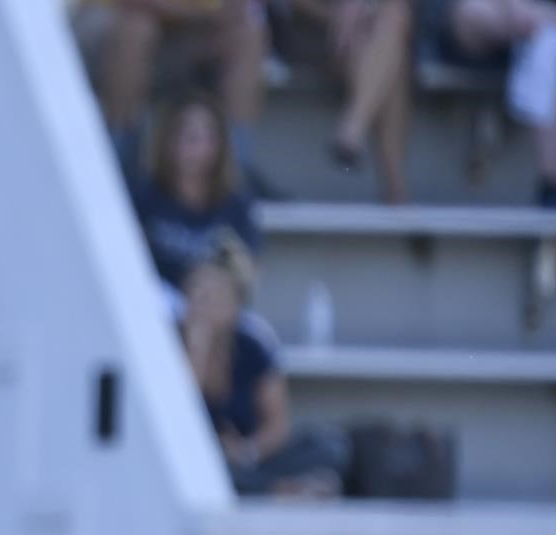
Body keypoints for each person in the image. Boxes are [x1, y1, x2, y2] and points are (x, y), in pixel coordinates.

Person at [179, 234, 349, 495]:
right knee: (207, 470)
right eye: (197, 290)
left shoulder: (254, 342)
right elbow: (179, 416)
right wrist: (197, 347)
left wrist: (247, 450)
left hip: (247, 457)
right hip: (197, 457)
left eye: (214, 294)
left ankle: (269, 486)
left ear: (236, 301)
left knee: (331, 446)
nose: (203, 302)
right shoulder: (171, 341)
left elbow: (277, 425)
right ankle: (282, 490)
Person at [80, 0, 272, 186]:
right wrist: (203, 12)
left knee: (248, 34)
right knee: (137, 28)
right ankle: (118, 161)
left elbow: (236, 8)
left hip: (184, 24)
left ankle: (235, 173)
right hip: (109, 17)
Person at [273, 0, 416, 203]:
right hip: (312, 28)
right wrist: (336, 15)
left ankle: (352, 128)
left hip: (368, 31)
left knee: (394, 18)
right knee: (390, 55)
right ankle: (395, 189)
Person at [428, 0, 556, 206]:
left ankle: (550, 186)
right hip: (481, 18)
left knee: (549, 41)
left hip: (543, 24)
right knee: (478, 13)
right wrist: (517, 9)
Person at [134, 92, 262, 295]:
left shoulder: (234, 204)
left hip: (213, 306)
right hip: (157, 302)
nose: (198, 147)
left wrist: (209, 278)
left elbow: (247, 274)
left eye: (208, 137)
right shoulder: (144, 199)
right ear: (168, 141)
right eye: (189, 136)